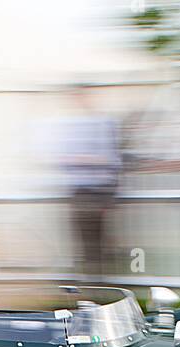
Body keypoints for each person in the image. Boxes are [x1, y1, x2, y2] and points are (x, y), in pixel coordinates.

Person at [54, 86, 123, 281]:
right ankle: (94, 280)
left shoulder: (100, 124)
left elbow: (109, 160)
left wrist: (76, 159)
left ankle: (100, 280)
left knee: (96, 242)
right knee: (86, 242)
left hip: (96, 192)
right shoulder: (76, 126)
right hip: (82, 191)